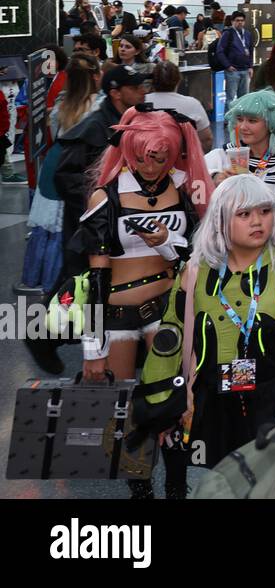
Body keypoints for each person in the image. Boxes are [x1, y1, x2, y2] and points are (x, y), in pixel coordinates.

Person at [135, 175, 275, 491]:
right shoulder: (194, 272)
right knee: (213, 488)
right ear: (221, 220)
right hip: (212, 404)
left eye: (264, 211)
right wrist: (160, 405)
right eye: (244, 214)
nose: (257, 222)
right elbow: (171, 338)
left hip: (274, 404)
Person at [67, 107, 212, 498]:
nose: (154, 165)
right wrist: (92, 349)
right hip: (117, 315)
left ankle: (178, 487)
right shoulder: (107, 195)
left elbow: (195, 259)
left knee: (177, 401)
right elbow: (96, 276)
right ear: (132, 149)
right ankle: (141, 489)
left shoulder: (183, 190)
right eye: (147, 156)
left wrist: (166, 242)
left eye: (163, 157)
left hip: (168, 309)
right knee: (128, 405)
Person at [53, 66, 147, 288]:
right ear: (115, 93)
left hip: (123, 227)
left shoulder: (134, 121)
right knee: (82, 287)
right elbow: (65, 178)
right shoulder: (93, 128)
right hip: (92, 232)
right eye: (135, 87)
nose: (142, 92)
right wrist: (101, 203)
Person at [19, 54, 100, 300]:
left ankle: (35, 278)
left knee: (45, 230)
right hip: (78, 170)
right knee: (67, 231)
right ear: (93, 76)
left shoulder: (60, 106)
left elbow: (53, 134)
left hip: (54, 165)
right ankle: (59, 286)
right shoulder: (96, 107)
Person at [206, 89, 275, 233]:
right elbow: (193, 174)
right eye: (240, 119)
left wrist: (247, 188)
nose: (242, 127)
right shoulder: (226, 153)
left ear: (272, 124)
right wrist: (216, 177)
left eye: (252, 121)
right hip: (228, 243)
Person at [148, 60, 213, 152]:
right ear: (178, 80)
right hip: (183, 161)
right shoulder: (192, 104)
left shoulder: (141, 103)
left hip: (146, 159)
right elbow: (207, 139)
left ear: (152, 81)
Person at [215, 11, 254, 106]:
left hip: (245, 70)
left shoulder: (247, 34)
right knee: (230, 98)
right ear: (232, 22)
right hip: (233, 71)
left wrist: (250, 66)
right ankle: (229, 120)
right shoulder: (228, 33)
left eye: (242, 20)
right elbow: (220, 51)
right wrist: (227, 65)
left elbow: (250, 51)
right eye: (237, 20)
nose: (240, 22)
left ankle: (241, 119)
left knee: (244, 98)